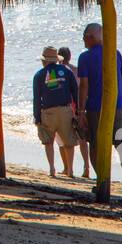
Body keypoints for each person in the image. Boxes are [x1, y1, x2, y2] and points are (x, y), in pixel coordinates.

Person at [77, 23, 122, 199]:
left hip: (95, 108)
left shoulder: (85, 57)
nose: (83, 40)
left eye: (84, 37)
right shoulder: (114, 53)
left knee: (95, 145)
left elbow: (84, 86)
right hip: (117, 106)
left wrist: (80, 111)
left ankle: (102, 180)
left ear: (90, 37)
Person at [32, 46, 80, 177]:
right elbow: (75, 91)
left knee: (48, 141)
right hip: (65, 110)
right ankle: (70, 170)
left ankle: (52, 169)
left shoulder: (39, 75)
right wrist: (78, 112)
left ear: (45, 61)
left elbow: (37, 98)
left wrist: (37, 117)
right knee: (69, 142)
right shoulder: (66, 71)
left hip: (48, 112)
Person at [59, 46, 91, 179]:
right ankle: (86, 167)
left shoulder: (60, 71)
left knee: (62, 136)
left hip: (67, 105)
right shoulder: (77, 70)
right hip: (79, 105)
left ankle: (67, 167)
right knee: (82, 138)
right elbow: (84, 88)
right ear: (70, 57)